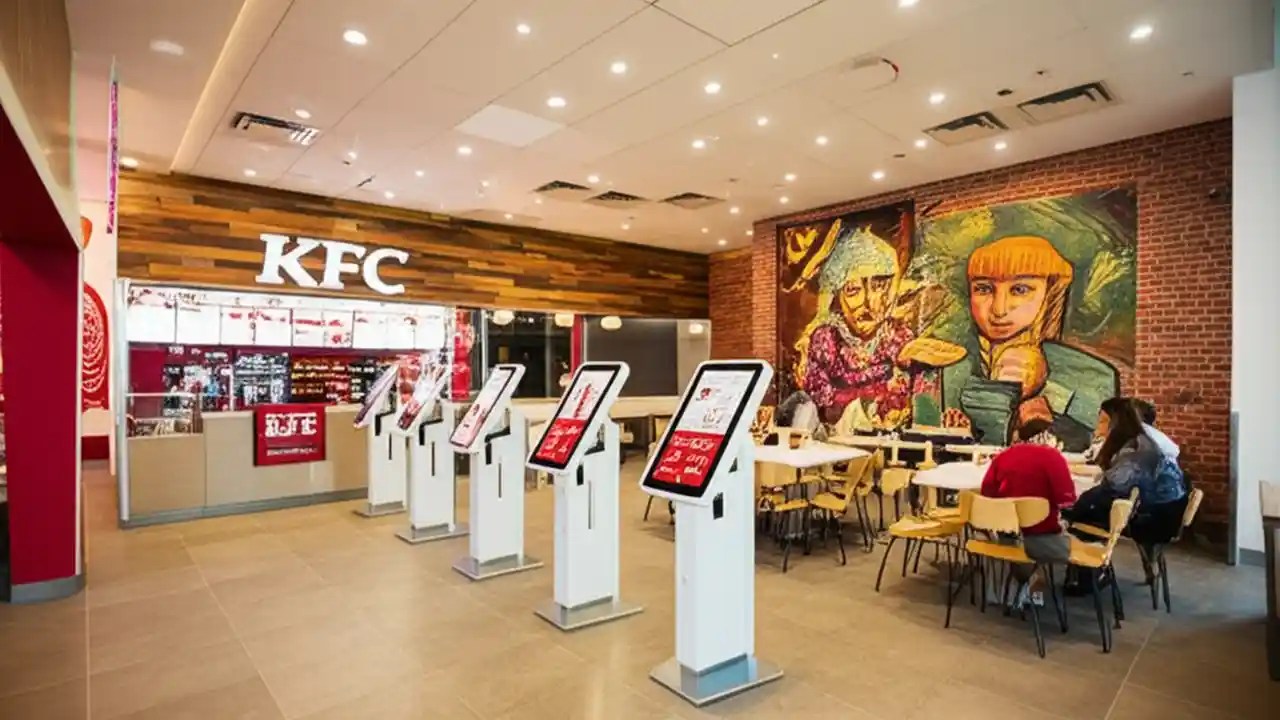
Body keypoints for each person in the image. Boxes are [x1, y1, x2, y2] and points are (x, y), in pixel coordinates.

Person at [937, 236, 1119, 451]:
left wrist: (1046, 392)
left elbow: (1096, 444)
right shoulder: (954, 369)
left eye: (1020, 290)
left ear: (1050, 291)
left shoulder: (1092, 372)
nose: (999, 309)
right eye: (984, 289)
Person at [798, 227, 935, 428]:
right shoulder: (826, 339)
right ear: (837, 295)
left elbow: (920, 401)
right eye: (853, 290)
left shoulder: (901, 338)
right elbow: (821, 400)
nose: (868, 302)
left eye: (878, 286)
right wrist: (876, 392)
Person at [980, 419, 1077, 570]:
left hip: (1006, 535)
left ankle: (1022, 582)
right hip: (1043, 538)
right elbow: (1067, 498)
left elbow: (987, 492)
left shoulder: (1004, 456)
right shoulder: (1054, 457)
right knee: (1080, 535)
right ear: (1049, 436)